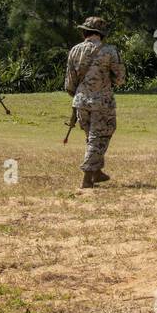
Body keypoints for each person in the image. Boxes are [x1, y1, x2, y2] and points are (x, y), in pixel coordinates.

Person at [64, 17, 126, 189]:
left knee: (92, 138)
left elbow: (69, 83)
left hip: (80, 102)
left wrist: (79, 96)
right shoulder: (110, 51)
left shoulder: (75, 50)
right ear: (102, 34)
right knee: (98, 138)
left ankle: (97, 172)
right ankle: (87, 177)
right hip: (102, 102)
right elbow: (120, 79)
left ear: (85, 31)